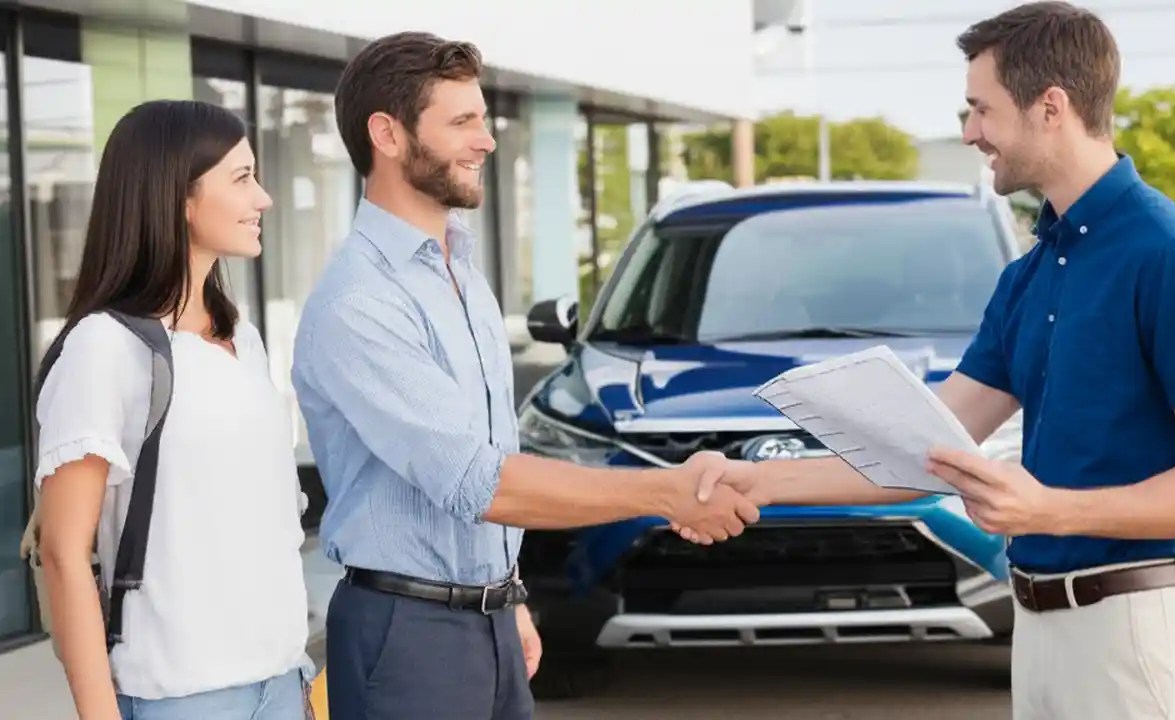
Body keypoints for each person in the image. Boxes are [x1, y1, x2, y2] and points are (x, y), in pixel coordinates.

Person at [683, 3, 1175, 719]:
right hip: (1040, 630)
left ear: (1051, 106)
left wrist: (1049, 509)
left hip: (1132, 631)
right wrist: (758, 479)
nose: (969, 133)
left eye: (980, 110)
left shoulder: (1171, 256)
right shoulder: (1031, 273)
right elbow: (924, 452)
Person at [290, 32, 758, 720]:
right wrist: (668, 492)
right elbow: (479, 482)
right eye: (462, 122)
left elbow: (497, 461)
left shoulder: (461, 270)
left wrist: (507, 595)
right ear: (386, 135)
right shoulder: (360, 301)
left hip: (488, 618)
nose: (485, 141)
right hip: (407, 635)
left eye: (483, 119)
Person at [31, 99, 313, 719]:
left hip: (283, 682)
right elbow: (63, 552)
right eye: (241, 179)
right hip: (180, 700)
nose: (263, 198)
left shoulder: (243, 339)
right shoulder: (105, 347)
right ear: (178, 199)